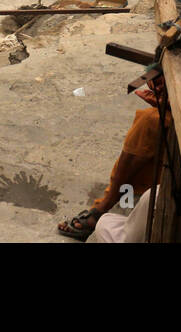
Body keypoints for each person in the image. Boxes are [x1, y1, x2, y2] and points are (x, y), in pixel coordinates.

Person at [57, 74, 163, 240]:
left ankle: (103, 207)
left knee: (150, 122)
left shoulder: (153, 120)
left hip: (157, 197)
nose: (156, 88)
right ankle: (113, 201)